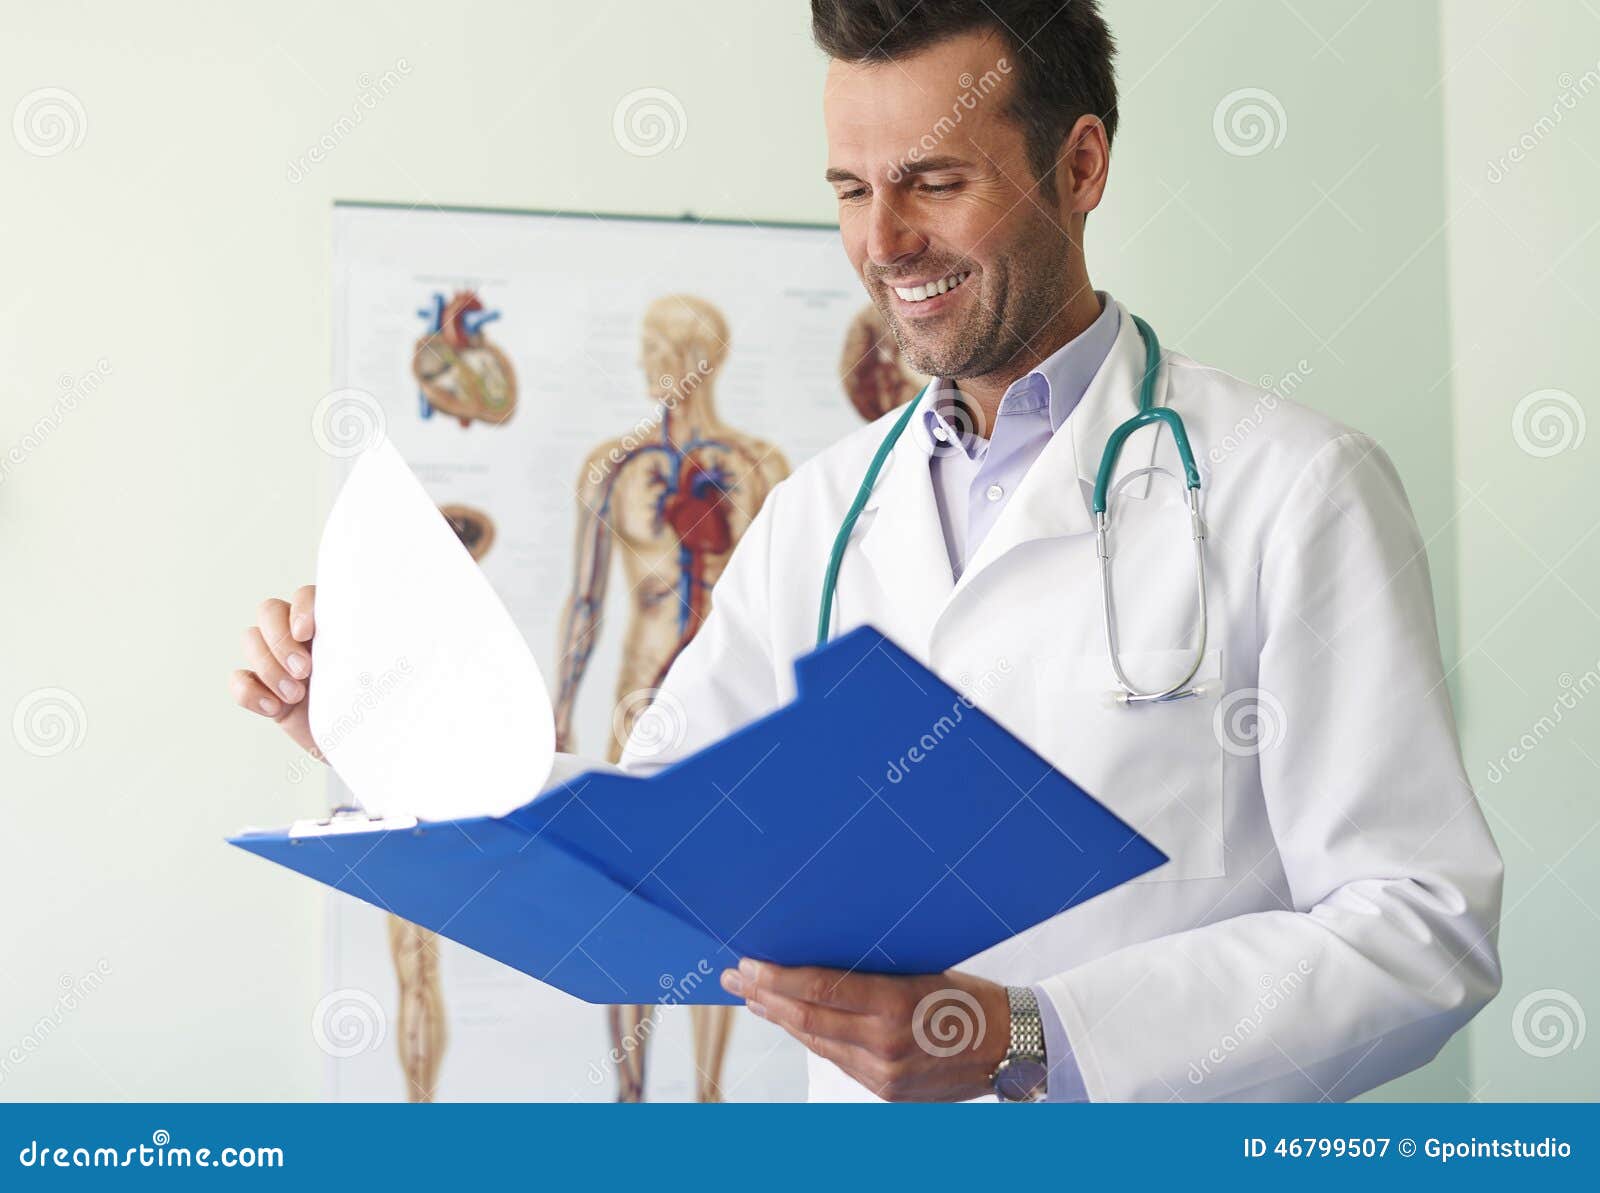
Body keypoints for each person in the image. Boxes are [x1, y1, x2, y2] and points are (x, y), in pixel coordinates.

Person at [232, 0, 1503, 1102]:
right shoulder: (821, 512)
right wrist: (385, 720)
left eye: (935, 181)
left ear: (1081, 165)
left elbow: (1419, 929)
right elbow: (652, 846)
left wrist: (1027, 1035)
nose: (883, 242)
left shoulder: (1294, 487)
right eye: (851, 188)